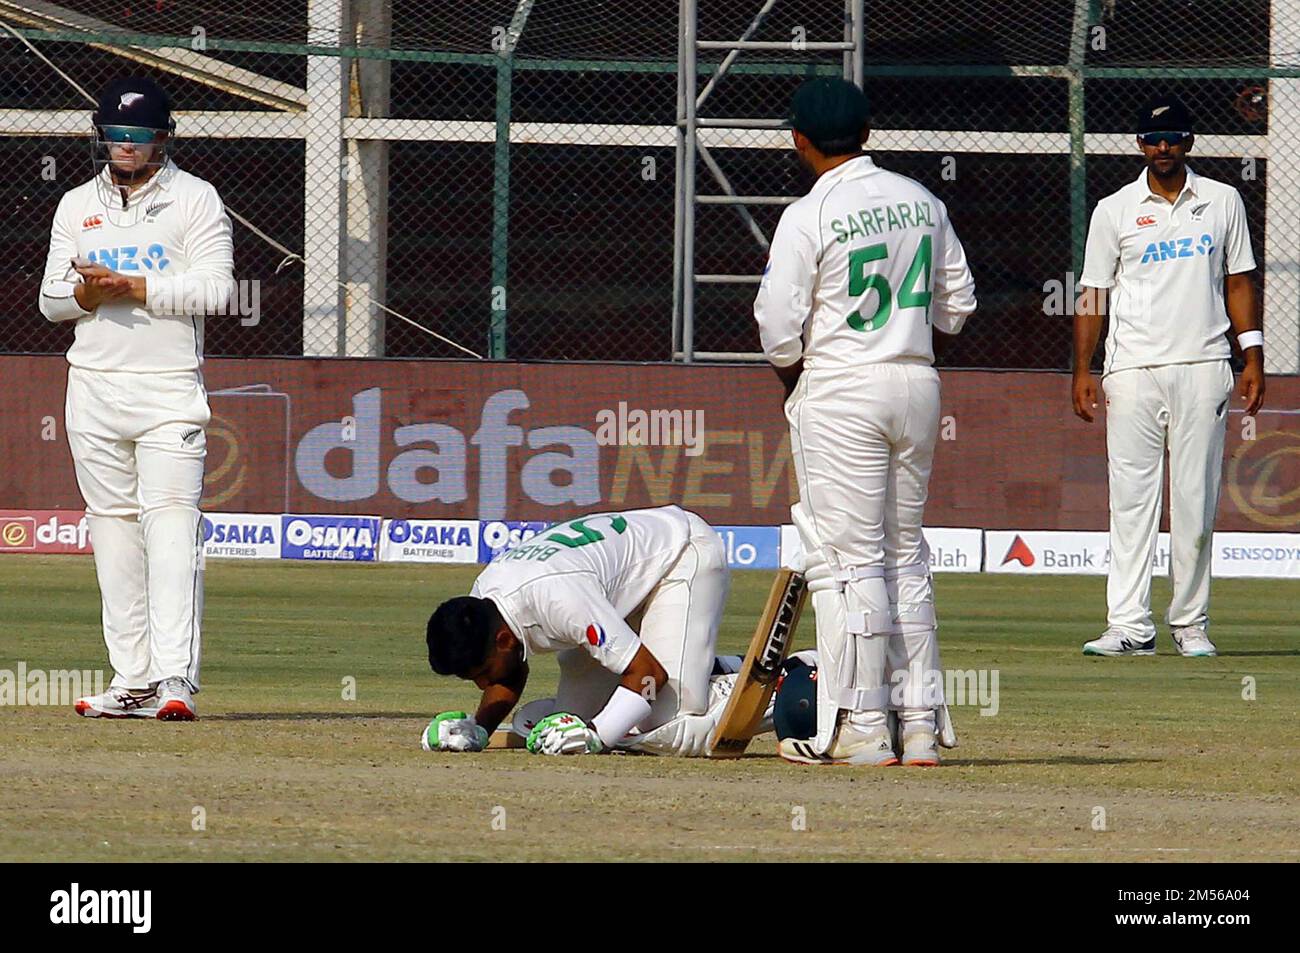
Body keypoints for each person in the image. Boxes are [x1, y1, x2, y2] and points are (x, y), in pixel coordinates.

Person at [752, 78, 976, 766]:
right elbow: (957, 307)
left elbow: (775, 327)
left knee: (849, 565)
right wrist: (902, 346)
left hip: (841, 386)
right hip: (916, 381)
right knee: (906, 555)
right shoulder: (923, 200)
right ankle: (920, 728)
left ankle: (862, 728)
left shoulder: (808, 214)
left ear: (799, 139)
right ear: (869, 132)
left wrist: (806, 383)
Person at [38, 76, 235, 719]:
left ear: (162, 138)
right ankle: (133, 680)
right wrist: (92, 296)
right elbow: (50, 302)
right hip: (92, 388)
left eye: (138, 136)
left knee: (172, 525)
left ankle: (175, 680)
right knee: (114, 532)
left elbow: (216, 292)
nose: (125, 146)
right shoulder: (75, 206)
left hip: (168, 390)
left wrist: (133, 286)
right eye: (115, 135)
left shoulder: (196, 199)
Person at [1074, 94, 1265, 658]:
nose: (1163, 149)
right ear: (1139, 145)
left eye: (1173, 139)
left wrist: (1251, 355)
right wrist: (1083, 369)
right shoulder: (1113, 208)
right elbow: (1093, 295)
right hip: (1131, 369)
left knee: (1194, 498)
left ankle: (1190, 624)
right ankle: (1129, 625)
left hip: (1204, 364)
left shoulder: (1222, 201)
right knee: (1130, 500)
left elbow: (1238, 282)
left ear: (1190, 142)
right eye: (1153, 140)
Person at [422, 506, 736, 756]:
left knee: (666, 723)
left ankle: (764, 681)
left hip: (680, 554)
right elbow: (509, 669)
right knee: (576, 718)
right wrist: (478, 730)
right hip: (615, 590)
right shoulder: (485, 604)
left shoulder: (560, 600)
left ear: (502, 640)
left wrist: (595, 737)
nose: (482, 685)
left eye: (482, 673)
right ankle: (710, 667)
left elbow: (649, 674)